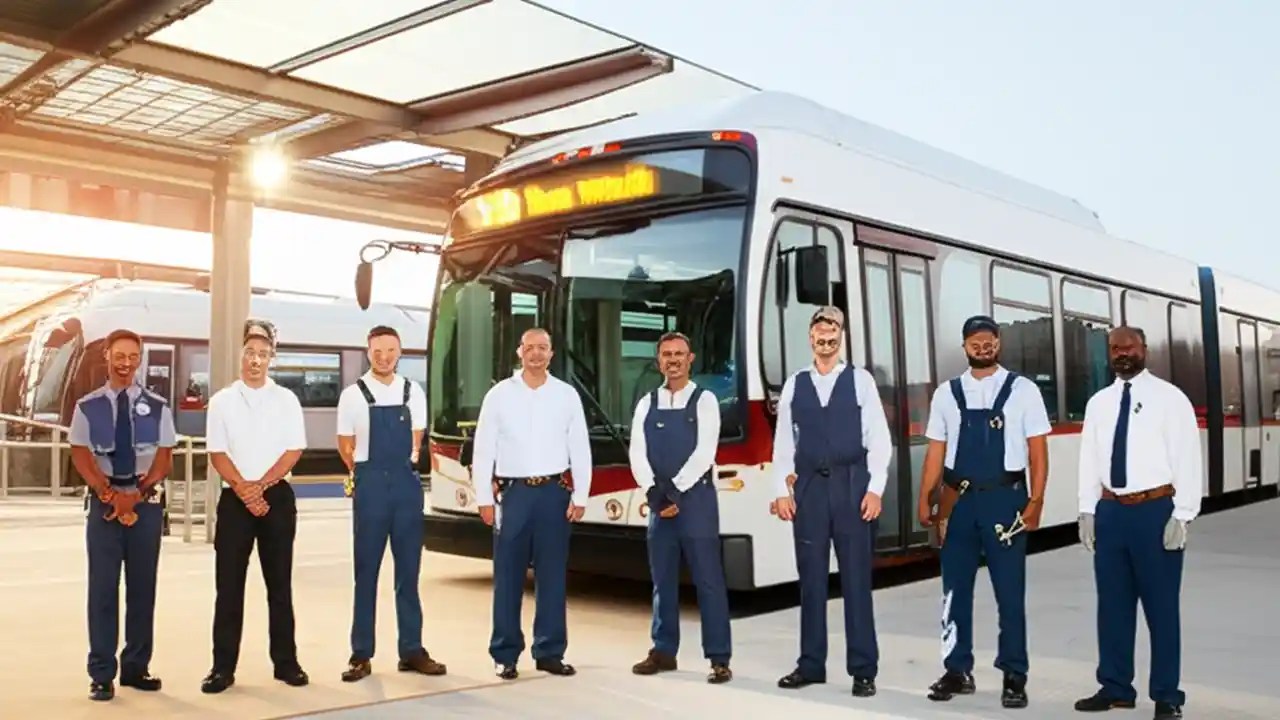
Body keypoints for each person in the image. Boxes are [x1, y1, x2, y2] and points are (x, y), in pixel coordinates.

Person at [917, 314, 1050, 709]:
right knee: (954, 590)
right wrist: (927, 497)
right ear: (964, 347)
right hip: (958, 501)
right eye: (974, 341)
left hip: (1005, 499)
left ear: (998, 343)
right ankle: (957, 670)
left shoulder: (1023, 391)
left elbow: (1037, 452)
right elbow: (936, 452)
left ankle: (1014, 674)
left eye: (988, 339)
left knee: (1009, 593)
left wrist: (1036, 500)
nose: (982, 346)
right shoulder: (946, 394)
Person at [1074, 326, 1199, 720]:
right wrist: (1087, 508)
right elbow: (1089, 458)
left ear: (1144, 349)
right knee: (1112, 607)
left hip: (1154, 511)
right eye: (1114, 348)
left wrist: (1183, 514)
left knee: (1161, 609)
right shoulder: (1099, 402)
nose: (1122, 353)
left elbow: (1188, 457)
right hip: (1111, 512)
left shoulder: (1169, 398)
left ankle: (1166, 695)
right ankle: (1115, 687)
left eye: (1129, 347)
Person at [771, 306, 891, 699]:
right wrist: (780, 491)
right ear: (811, 337)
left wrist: (875, 489)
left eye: (834, 331)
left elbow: (879, 440)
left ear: (841, 336)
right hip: (808, 491)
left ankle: (863, 669)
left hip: (852, 487)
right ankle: (810, 665)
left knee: (856, 581)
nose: (827, 338)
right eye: (820, 332)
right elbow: (784, 443)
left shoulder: (860, 381)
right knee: (811, 583)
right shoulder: (795, 384)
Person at [470, 327, 592, 680]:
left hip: (554, 494)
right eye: (530, 348)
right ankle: (505, 654)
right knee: (507, 577)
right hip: (514, 495)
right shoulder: (499, 396)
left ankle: (550, 651)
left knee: (553, 576)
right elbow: (483, 449)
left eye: (543, 348)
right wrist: (484, 498)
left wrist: (580, 494)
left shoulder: (566, 395)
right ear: (519, 352)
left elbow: (580, 446)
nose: (536, 354)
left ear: (552, 354)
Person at [200, 318, 309, 694]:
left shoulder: (287, 400)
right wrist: (244, 489)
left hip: (276, 497)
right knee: (228, 587)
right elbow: (217, 452)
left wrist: (260, 487)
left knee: (279, 586)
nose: (255, 360)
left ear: (272, 358)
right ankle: (222, 668)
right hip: (234, 498)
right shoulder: (222, 401)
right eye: (250, 353)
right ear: (241, 355)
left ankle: (286, 663)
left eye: (263, 354)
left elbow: (293, 449)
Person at [69, 328, 176, 701]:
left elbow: (164, 457)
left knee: (142, 589)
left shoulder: (158, 406)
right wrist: (109, 494)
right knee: (102, 590)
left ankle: (136, 667)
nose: (126, 362)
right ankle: (101, 673)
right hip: (104, 507)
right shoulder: (87, 406)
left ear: (140, 359)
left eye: (133, 356)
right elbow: (80, 454)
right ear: (107, 357)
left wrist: (136, 496)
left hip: (144, 505)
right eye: (120, 355)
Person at [336, 325, 447, 682]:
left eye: (391, 350)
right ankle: (360, 654)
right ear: (368, 352)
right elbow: (345, 445)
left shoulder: (413, 392)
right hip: (370, 486)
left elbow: (417, 440)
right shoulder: (353, 395)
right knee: (365, 573)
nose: (384, 357)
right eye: (377, 351)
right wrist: (365, 476)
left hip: (405, 486)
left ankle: (412, 649)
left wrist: (401, 469)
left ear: (400, 352)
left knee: (408, 575)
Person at [627, 331, 733, 684]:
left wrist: (673, 492)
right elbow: (637, 453)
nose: (673, 360)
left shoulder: (704, 401)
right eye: (666, 354)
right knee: (662, 580)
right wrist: (654, 493)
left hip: (696, 501)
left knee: (709, 581)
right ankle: (663, 650)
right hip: (659, 503)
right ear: (658, 360)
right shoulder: (646, 403)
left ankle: (719, 657)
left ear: (691, 359)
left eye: (679, 354)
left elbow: (706, 452)